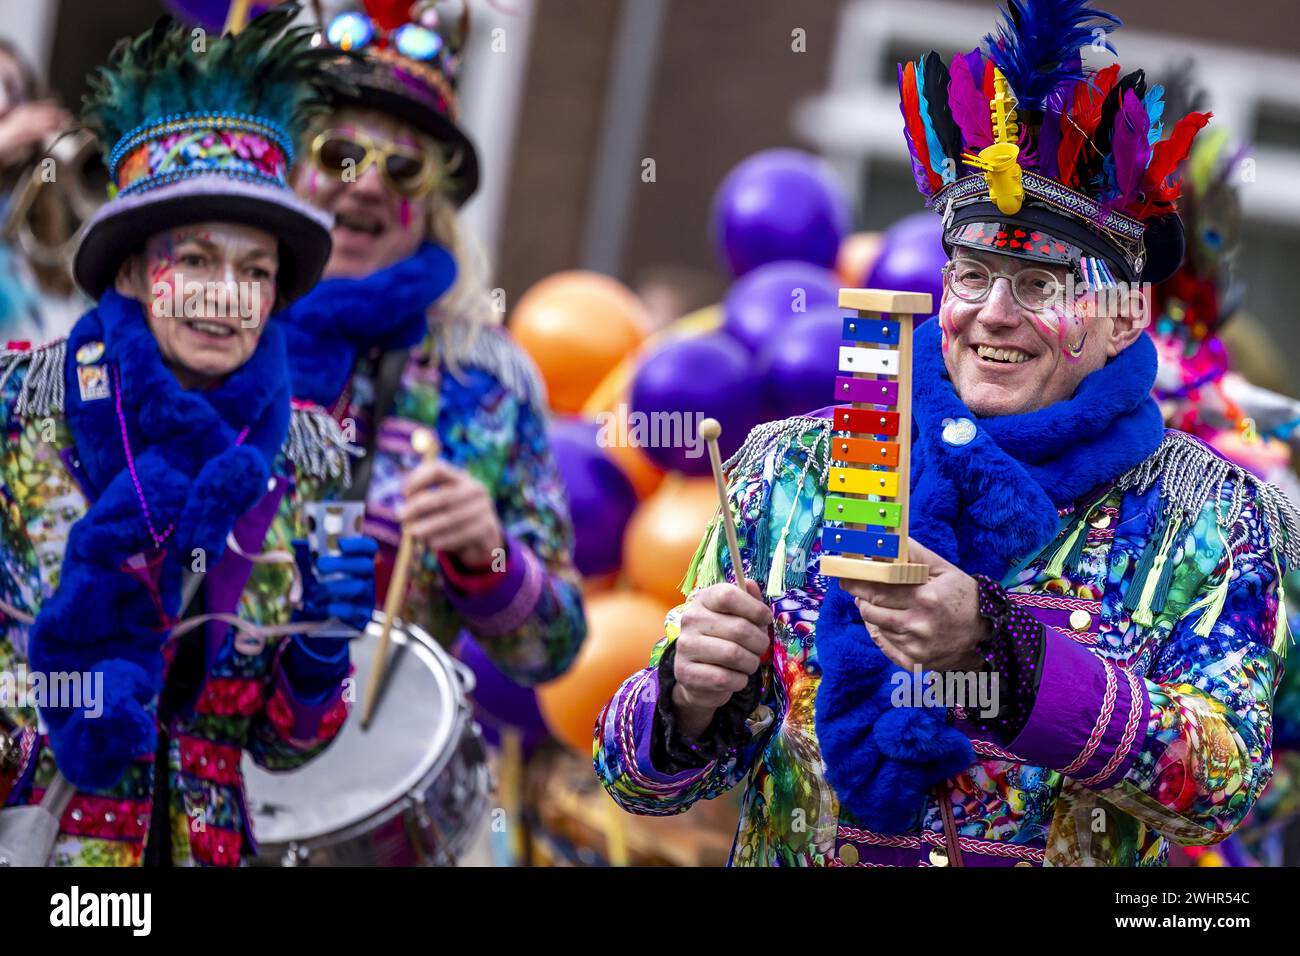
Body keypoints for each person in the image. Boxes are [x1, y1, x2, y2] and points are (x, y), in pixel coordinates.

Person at [596, 0, 1298, 867]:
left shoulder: (1213, 516)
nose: (991, 315)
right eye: (971, 274)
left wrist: (995, 650)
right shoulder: (793, 467)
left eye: (1039, 285)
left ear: (1122, 320)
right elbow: (639, 780)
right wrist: (685, 697)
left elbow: (1219, 790)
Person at [0, 5, 373, 867]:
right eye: (196, 259)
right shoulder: (23, 413)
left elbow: (283, 749)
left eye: (254, 271)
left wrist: (321, 651)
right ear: (132, 269)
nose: (225, 295)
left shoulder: (306, 460)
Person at [281, 0, 584, 685]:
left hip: (385, 769)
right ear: (290, 166)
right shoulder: (214, 331)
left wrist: (488, 553)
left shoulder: (484, 381)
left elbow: (554, 647)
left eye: (403, 170)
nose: (366, 186)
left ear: (433, 204)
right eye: (340, 154)